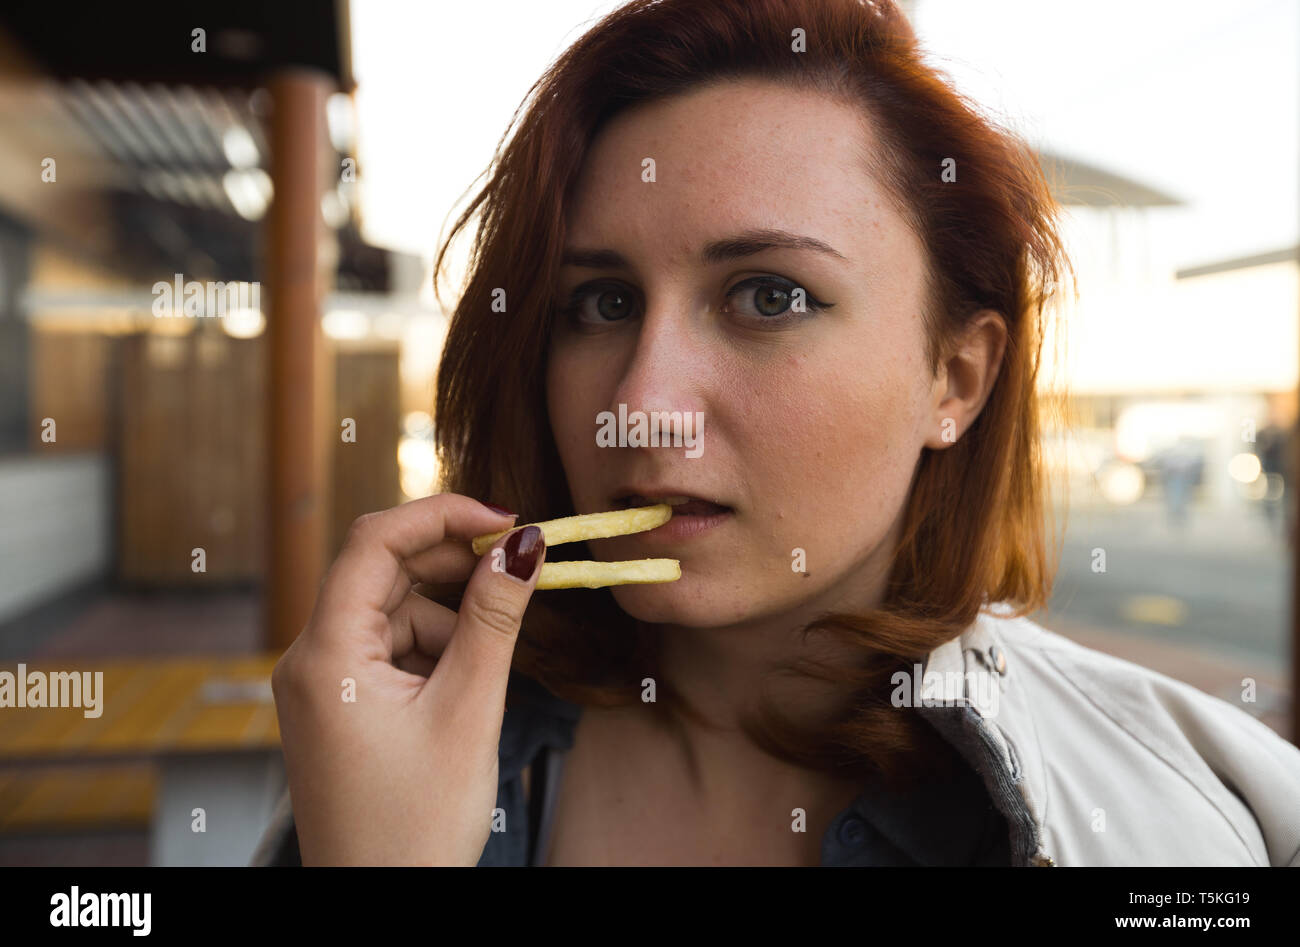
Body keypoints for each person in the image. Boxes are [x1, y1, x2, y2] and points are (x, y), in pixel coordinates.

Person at [252, 0, 1300, 867]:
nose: (642, 401)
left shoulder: (1177, 826)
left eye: (770, 295)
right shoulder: (395, 749)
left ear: (956, 376)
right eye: (603, 304)